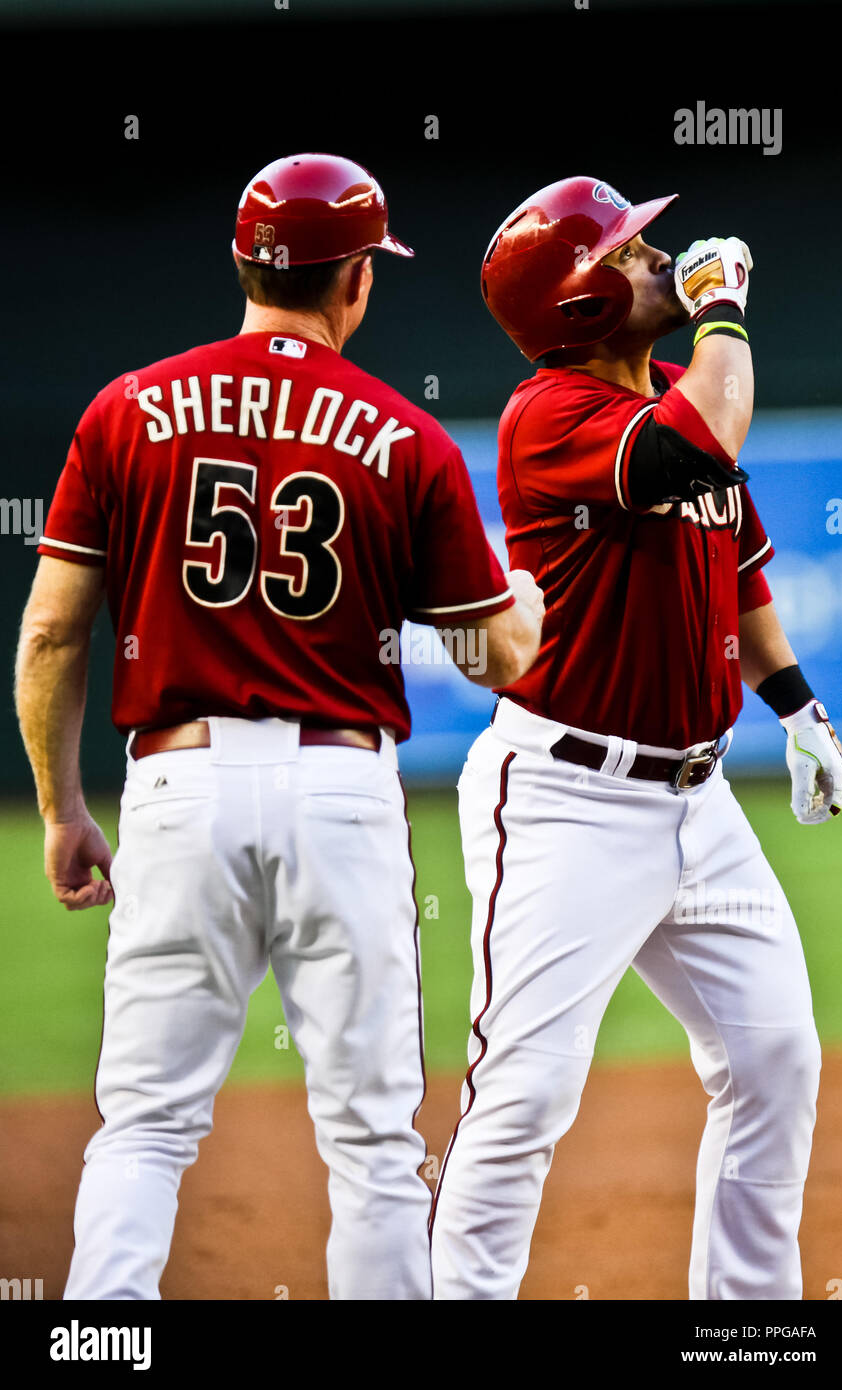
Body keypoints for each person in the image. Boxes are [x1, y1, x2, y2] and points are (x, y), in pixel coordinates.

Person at [14, 153, 543, 1302]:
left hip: (176, 787)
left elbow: (54, 635)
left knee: (144, 1126)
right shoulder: (403, 437)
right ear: (353, 279)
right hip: (339, 794)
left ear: (245, 263)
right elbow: (497, 655)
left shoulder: (126, 409)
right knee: (370, 1143)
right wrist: (527, 599)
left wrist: (62, 809)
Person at [428, 176, 842, 1300]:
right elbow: (703, 434)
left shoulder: (668, 388)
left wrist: (796, 705)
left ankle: (744, 1321)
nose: (655, 254)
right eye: (623, 250)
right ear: (577, 308)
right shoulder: (550, 415)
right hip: (568, 797)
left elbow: (741, 560)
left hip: (697, 801)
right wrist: (722, 310)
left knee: (771, 1059)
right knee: (521, 1095)